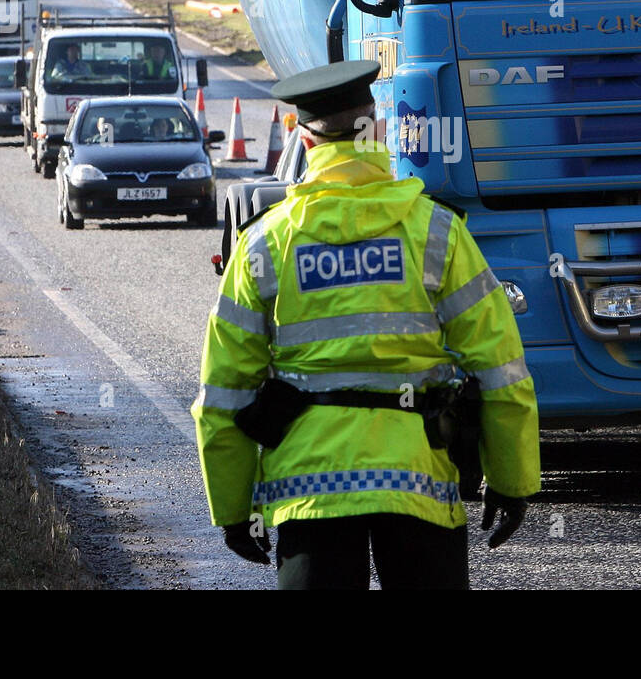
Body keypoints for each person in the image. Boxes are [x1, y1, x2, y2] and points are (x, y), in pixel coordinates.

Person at [192, 60, 540, 589]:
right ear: (376, 131)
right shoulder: (438, 232)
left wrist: (234, 508)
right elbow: (501, 371)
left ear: (305, 143)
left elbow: (224, 392)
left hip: (309, 492)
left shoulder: (265, 243)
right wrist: (512, 481)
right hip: (419, 481)